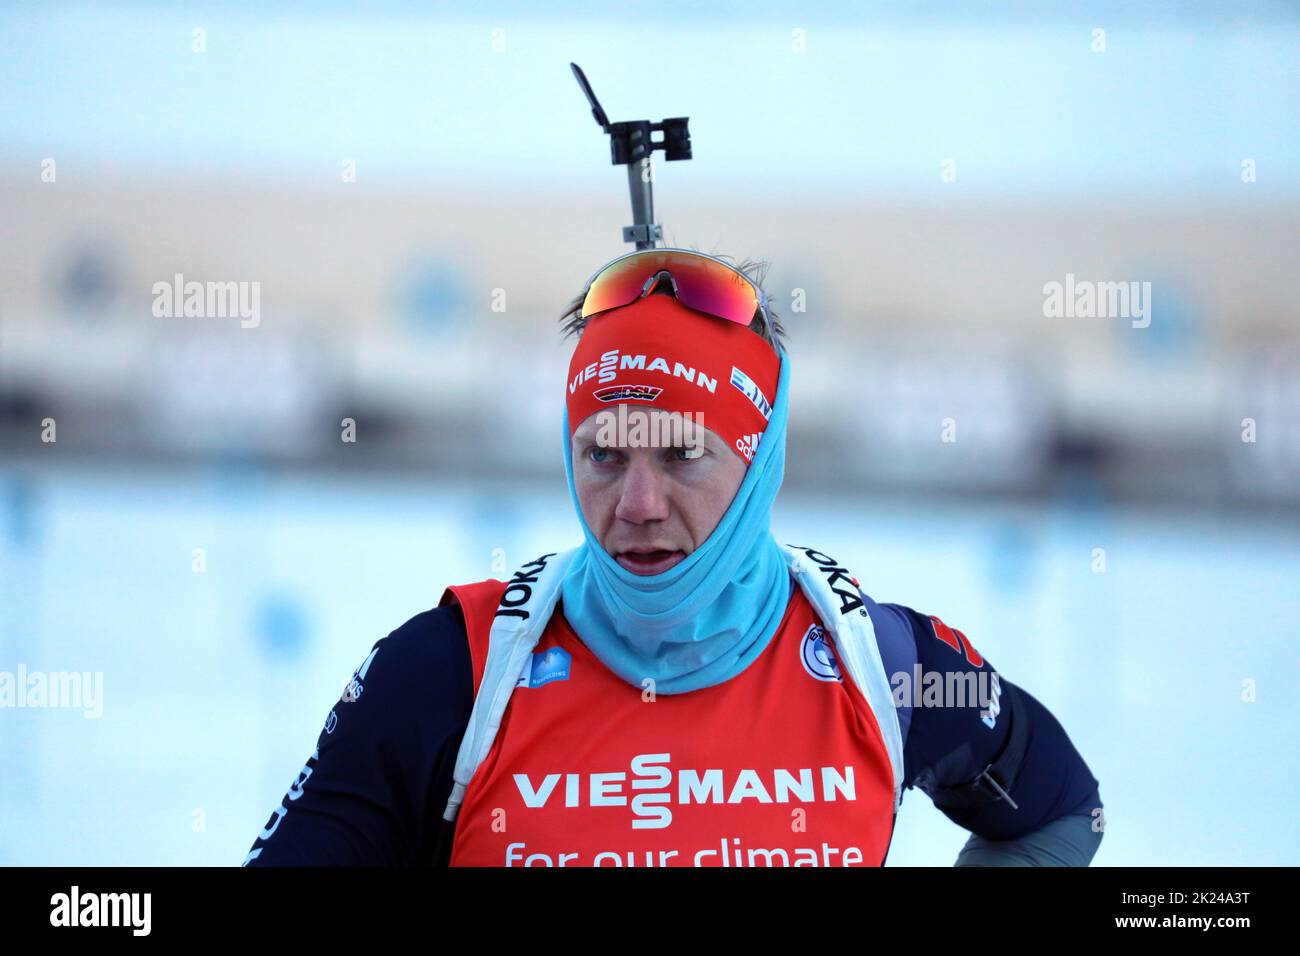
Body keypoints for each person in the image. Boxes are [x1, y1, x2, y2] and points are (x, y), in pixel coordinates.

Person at [243, 249, 1103, 867]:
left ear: (759, 459)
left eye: (683, 454)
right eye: (605, 455)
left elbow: (1063, 815)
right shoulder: (452, 674)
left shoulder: (883, 670)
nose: (638, 505)